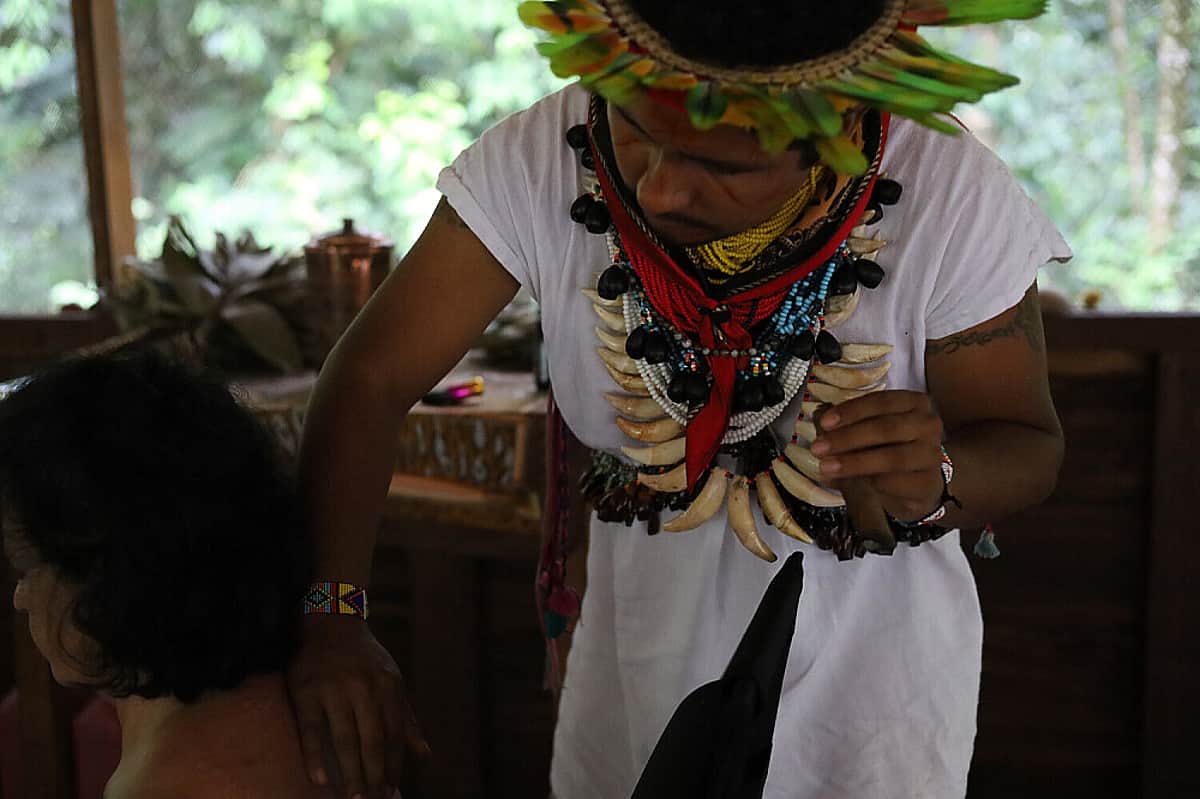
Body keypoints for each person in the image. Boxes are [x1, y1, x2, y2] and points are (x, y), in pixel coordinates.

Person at [287, 1, 1071, 797]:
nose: (661, 189)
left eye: (722, 168)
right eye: (635, 131)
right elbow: (369, 380)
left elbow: (1027, 445)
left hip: (869, 704)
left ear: (838, 124)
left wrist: (936, 475)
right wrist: (331, 616)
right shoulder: (545, 156)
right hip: (633, 668)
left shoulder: (949, 193)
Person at [0, 350, 335, 799]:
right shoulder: (301, 706)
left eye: (27, 567)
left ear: (107, 576)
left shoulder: (175, 781)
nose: (20, 597)